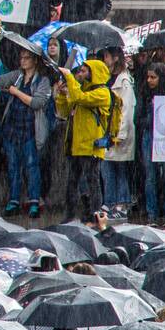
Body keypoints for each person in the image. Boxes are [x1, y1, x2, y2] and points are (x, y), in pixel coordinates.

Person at [0, 47, 51, 218]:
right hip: (12, 127)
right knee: (13, 166)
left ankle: (34, 200)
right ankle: (14, 200)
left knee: (32, 166)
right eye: (21, 57)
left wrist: (16, 92)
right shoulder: (17, 75)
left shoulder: (42, 80)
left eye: (27, 58)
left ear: (34, 61)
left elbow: (37, 103)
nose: (23, 61)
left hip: (30, 128)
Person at [56, 56, 112, 218]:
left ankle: (96, 216)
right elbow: (64, 112)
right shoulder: (79, 89)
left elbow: (81, 98)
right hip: (75, 145)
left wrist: (69, 77)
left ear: (94, 73)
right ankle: (70, 216)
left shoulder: (103, 93)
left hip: (91, 146)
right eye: (79, 70)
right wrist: (62, 94)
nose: (79, 73)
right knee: (72, 182)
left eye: (83, 71)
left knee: (92, 181)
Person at [101, 49, 137, 221]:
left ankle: (122, 203)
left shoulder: (124, 80)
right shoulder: (106, 78)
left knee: (120, 168)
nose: (104, 59)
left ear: (115, 58)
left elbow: (127, 108)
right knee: (107, 167)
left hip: (119, 131)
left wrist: (120, 133)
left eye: (107, 56)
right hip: (106, 129)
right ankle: (109, 201)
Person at [140, 64, 165, 223]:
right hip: (149, 135)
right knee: (150, 176)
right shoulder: (144, 95)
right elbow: (139, 119)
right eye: (148, 77)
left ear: (161, 78)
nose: (149, 80)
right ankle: (152, 214)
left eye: (153, 77)